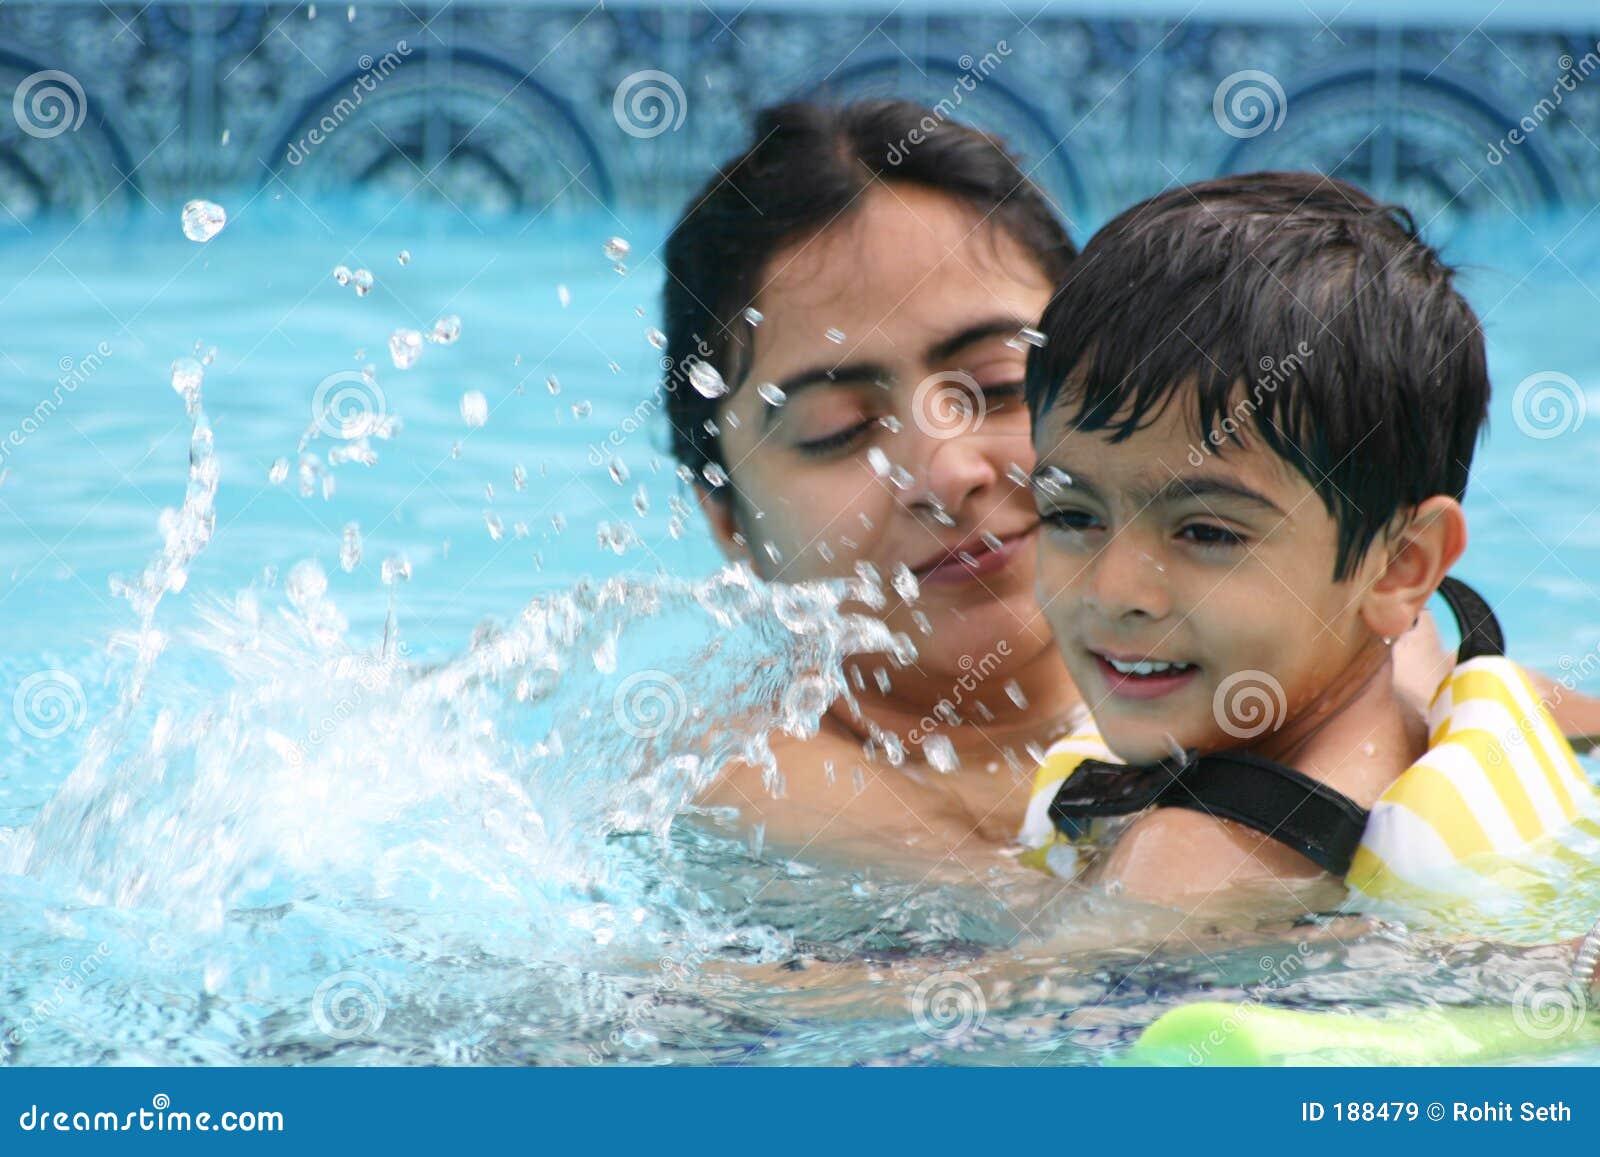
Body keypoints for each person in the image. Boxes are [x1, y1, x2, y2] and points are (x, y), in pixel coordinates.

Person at [658, 99, 1600, 878]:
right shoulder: (759, 792)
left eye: (995, 385)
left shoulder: (1325, 591)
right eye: (841, 431)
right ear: (727, 516)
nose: (947, 472)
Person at [1021, 171, 1598, 924]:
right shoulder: (1424, 675)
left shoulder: (1185, 864)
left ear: (1402, 566)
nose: (1115, 587)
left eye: (1205, 531)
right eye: (1071, 514)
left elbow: (1001, 1017)